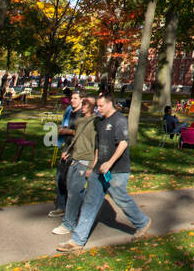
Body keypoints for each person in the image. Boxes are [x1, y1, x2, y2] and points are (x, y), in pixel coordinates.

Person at [57, 92, 151, 252]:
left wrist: (109, 163)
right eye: (97, 106)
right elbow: (97, 147)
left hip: (117, 171)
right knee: (89, 203)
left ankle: (142, 222)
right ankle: (77, 241)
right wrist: (93, 166)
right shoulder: (100, 122)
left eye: (100, 106)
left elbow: (123, 144)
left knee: (121, 199)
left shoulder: (119, 120)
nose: (98, 109)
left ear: (110, 104)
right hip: (98, 169)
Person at [52, 97, 98, 238]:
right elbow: (77, 139)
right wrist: (68, 151)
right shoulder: (81, 120)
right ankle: (75, 214)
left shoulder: (96, 123)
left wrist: (91, 166)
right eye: (82, 103)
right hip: (75, 157)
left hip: (85, 161)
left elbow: (97, 146)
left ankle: (68, 223)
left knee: (74, 192)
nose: (83, 106)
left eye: (86, 104)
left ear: (93, 106)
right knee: (72, 190)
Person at [48, 91, 84, 217]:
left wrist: (66, 131)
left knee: (70, 181)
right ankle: (61, 206)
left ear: (81, 100)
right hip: (67, 148)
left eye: (75, 98)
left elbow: (81, 133)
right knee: (60, 178)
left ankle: (74, 208)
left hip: (75, 151)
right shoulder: (70, 112)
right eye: (71, 98)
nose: (72, 100)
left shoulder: (82, 115)